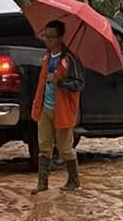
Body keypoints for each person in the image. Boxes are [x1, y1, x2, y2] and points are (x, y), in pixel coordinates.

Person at [31, 20, 84, 193]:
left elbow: (78, 84)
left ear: (60, 38)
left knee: (64, 148)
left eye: (51, 37)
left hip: (63, 110)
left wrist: (60, 82)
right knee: (43, 146)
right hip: (44, 108)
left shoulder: (70, 60)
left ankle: (74, 180)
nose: (46, 40)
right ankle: (42, 183)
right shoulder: (46, 57)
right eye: (45, 36)